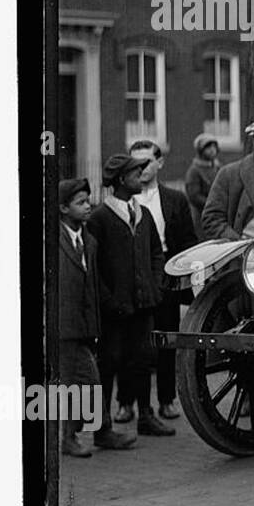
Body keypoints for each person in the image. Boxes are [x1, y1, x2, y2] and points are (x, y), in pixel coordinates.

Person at [86, 153, 172, 438]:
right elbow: (92, 266)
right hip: (114, 309)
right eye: (136, 174)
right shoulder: (99, 218)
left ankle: (146, 416)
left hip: (143, 304)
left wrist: (155, 285)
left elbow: (156, 254)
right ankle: (103, 425)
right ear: (122, 180)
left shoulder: (143, 213)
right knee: (109, 362)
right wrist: (108, 300)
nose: (142, 178)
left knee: (143, 359)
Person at [59, 177, 134, 454]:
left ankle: (100, 432)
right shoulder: (53, 241)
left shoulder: (88, 241)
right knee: (69, 383)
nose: (87, 206)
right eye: (80, 203)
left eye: (87, 200)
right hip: (63, 327)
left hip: (84, 326)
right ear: (64, 209)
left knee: (89, 379)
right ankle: (69, 438)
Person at [129, 139, 198, 421]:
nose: (141, 169)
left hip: (165, 276)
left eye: (146, 162)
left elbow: (188, 242)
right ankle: (126, 402)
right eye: (135, 164)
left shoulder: (175, 200)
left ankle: (167, 400)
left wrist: (183, 280)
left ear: (159, 163)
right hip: (133, 278)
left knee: (167, 340)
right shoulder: (124, 199)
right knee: (133, 344)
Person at [184, 133, 221, 233]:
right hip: (201, 215)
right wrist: (211, 204)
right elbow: (194, 196)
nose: (212, 149)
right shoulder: (194, 171)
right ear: (200, 151)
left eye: (214, 146)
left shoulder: (218, 168)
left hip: (219, 215)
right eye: (208, 147)